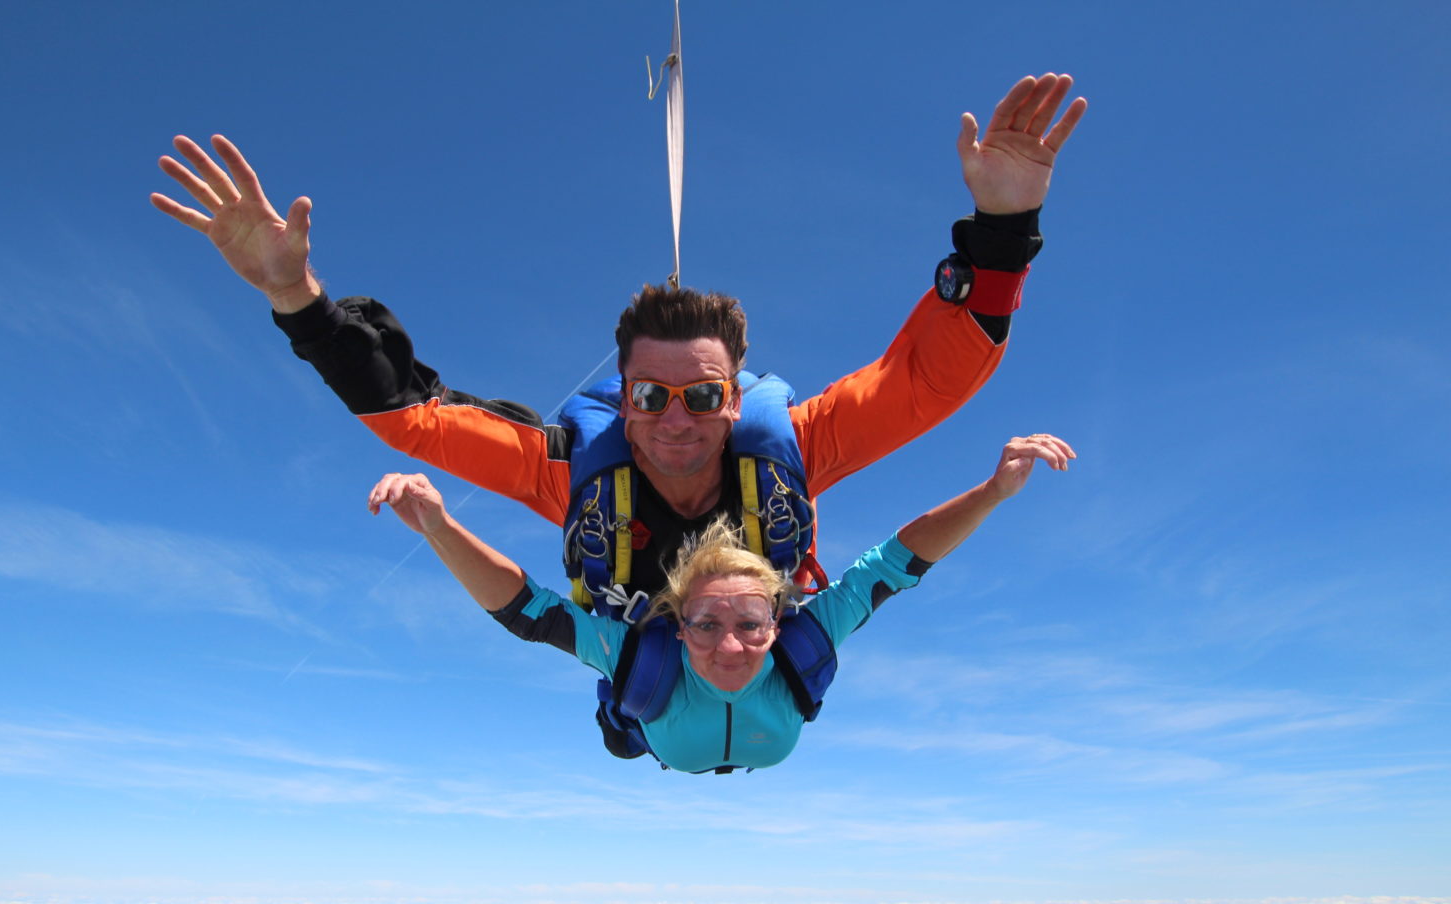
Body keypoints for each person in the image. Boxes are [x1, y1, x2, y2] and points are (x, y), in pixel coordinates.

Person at [153, 74, 1085, 610]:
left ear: (735, 398)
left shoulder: (792, 450)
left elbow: (925, 381)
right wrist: (295, 296)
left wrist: (1002, 230)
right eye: (651, 397)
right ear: (622, 397)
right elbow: (414, 419)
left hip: (761, 634)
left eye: (705, 396)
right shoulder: (573, 473)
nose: (676, 420)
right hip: (645, 649)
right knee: (638, 717)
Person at [367, 434, 1075, 773]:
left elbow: (901, 560)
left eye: (750, 623)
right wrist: (438, 524)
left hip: (686, 740)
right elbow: (529, 611)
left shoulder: (806, 634)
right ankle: (624, 731)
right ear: (677, 623)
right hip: (660, 735)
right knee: (622, 732)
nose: (730, 646)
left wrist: (991, 492)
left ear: (779, 617)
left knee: (636, 713)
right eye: (705, 624)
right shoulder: (645, 653)